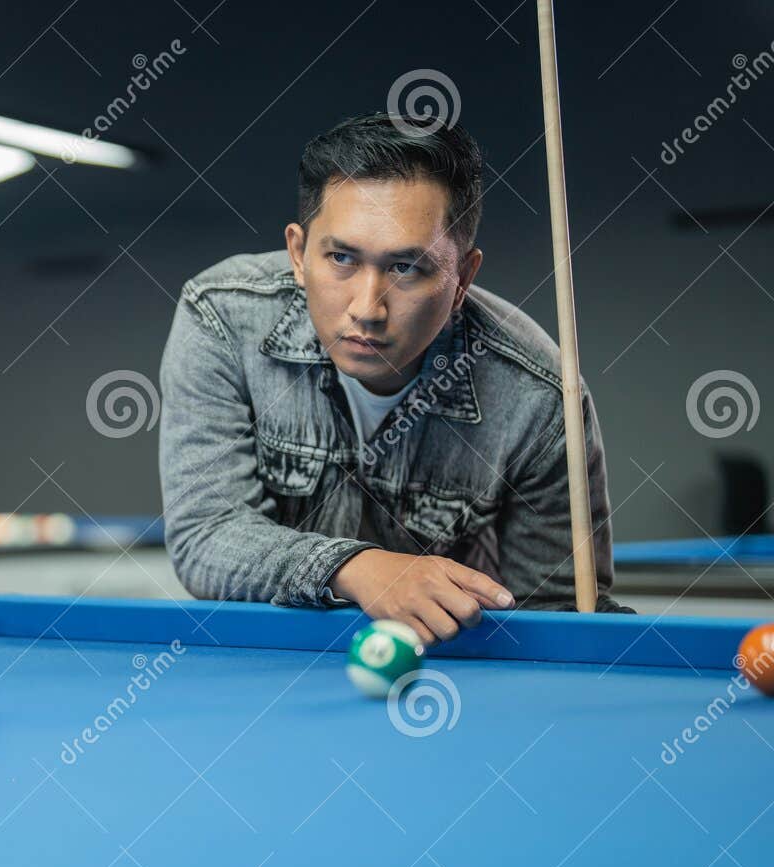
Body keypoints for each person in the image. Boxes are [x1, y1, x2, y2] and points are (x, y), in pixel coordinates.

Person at [158, 110, 624, 644]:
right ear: (297, 252)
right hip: (265, 676)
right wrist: (361, 569)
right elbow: (207, 537)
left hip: (452, 676)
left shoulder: (539, 397)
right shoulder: (221, 318)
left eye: (407, 268)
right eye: (340, 258)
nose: (367, 308)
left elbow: (555, 611)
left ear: (462, 278)